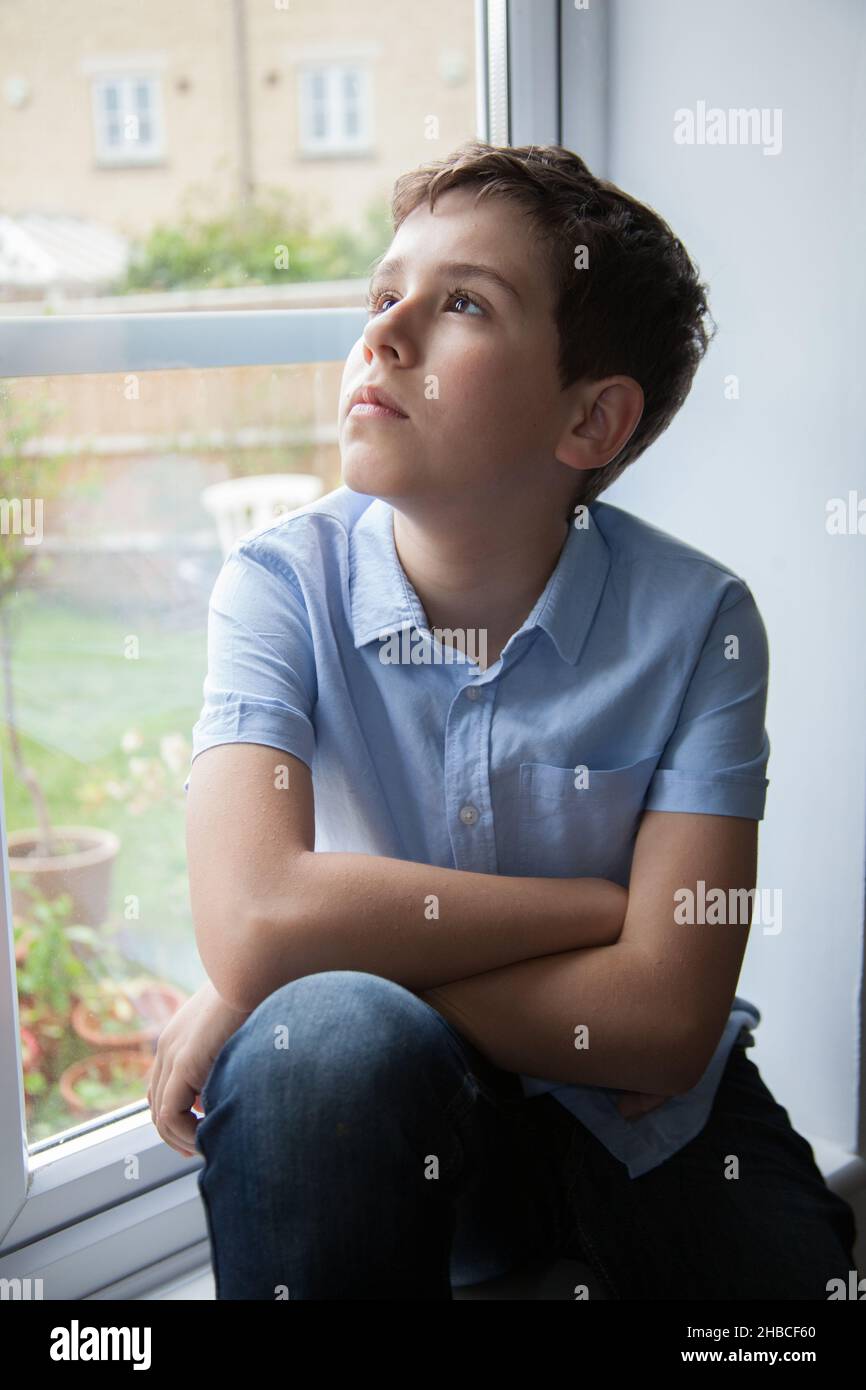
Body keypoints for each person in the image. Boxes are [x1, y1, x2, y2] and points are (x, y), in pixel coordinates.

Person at [149, 142, 859, 1299]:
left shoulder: (702, 622)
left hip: (651, 1125)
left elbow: (664, 1023)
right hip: (400, 1111)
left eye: (462, 303)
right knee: (322, 1045)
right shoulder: (274, 587)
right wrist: (593, 915)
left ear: (590, 422)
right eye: (384, 297)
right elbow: (258, 913)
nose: (381, 334)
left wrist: (285, 962)